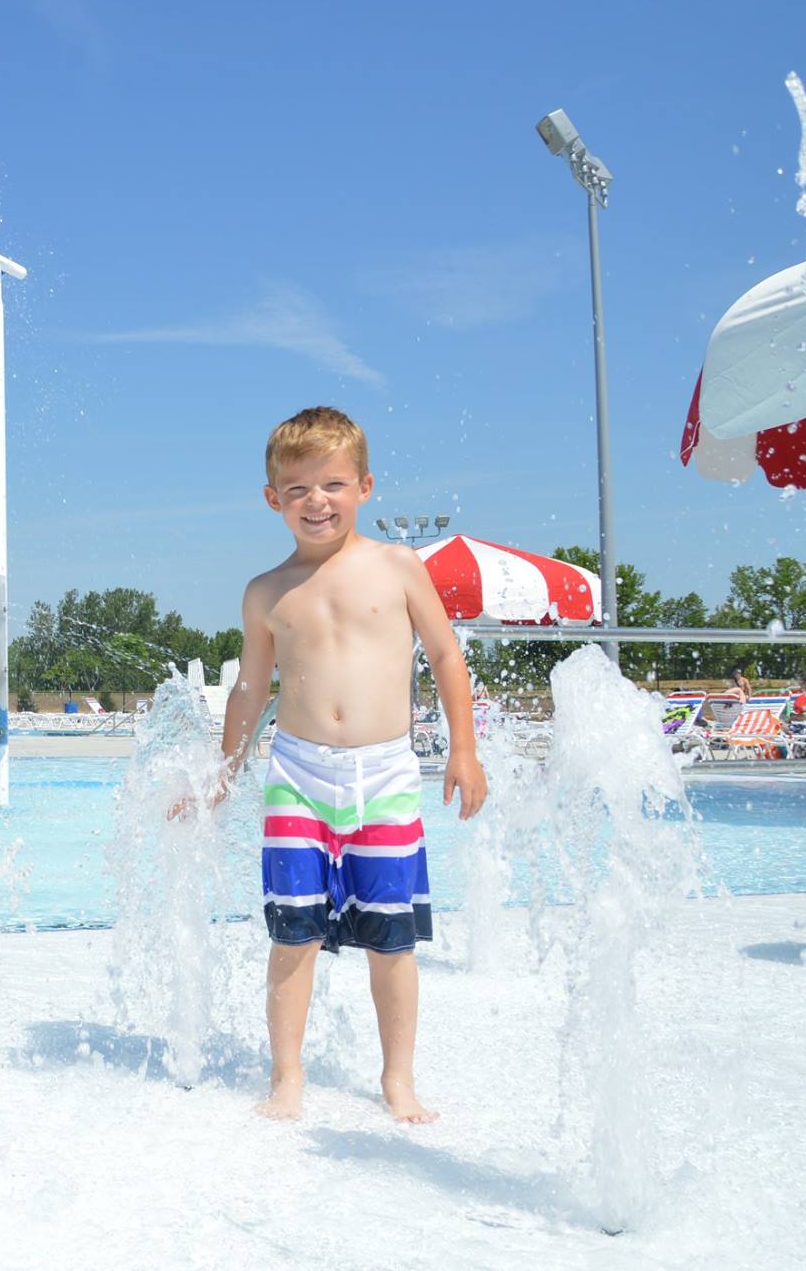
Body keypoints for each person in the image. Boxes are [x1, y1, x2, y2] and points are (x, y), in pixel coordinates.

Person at [212, 407, 487, 1124]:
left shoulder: (396, 565)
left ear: (365, 486)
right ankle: (288, 1076)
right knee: (292, 932)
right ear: (273, 498)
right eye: (297, 487)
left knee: (391, 938)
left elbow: (447, 653)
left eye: (333, 483)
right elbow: (250, 688)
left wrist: (464, 746)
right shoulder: (267, 592)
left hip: (386, 774)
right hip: (297, 774)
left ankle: (398, 1078)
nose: (317, 500)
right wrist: (224, 771)